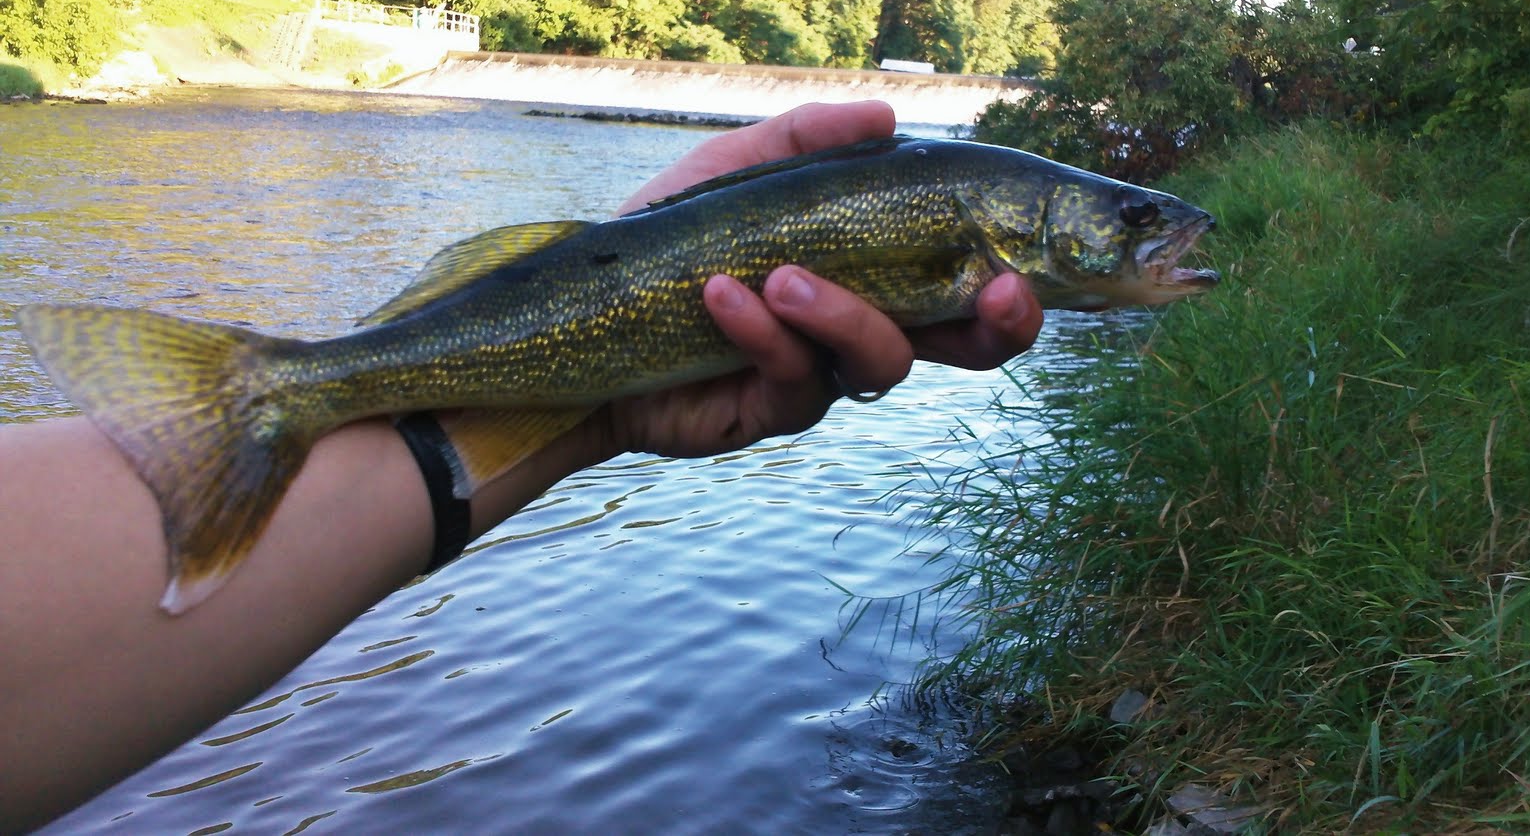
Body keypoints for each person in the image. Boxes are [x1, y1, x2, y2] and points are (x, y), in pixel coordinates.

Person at [0, 100, 1043, 828]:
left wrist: (573, 420)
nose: (1157, 233)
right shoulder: (966, 221)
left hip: (557, 387)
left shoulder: (964, 223)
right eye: (1131, 219)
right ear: (1023, 224)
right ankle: (282, 391)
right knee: (292, 388)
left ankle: (293, 394)